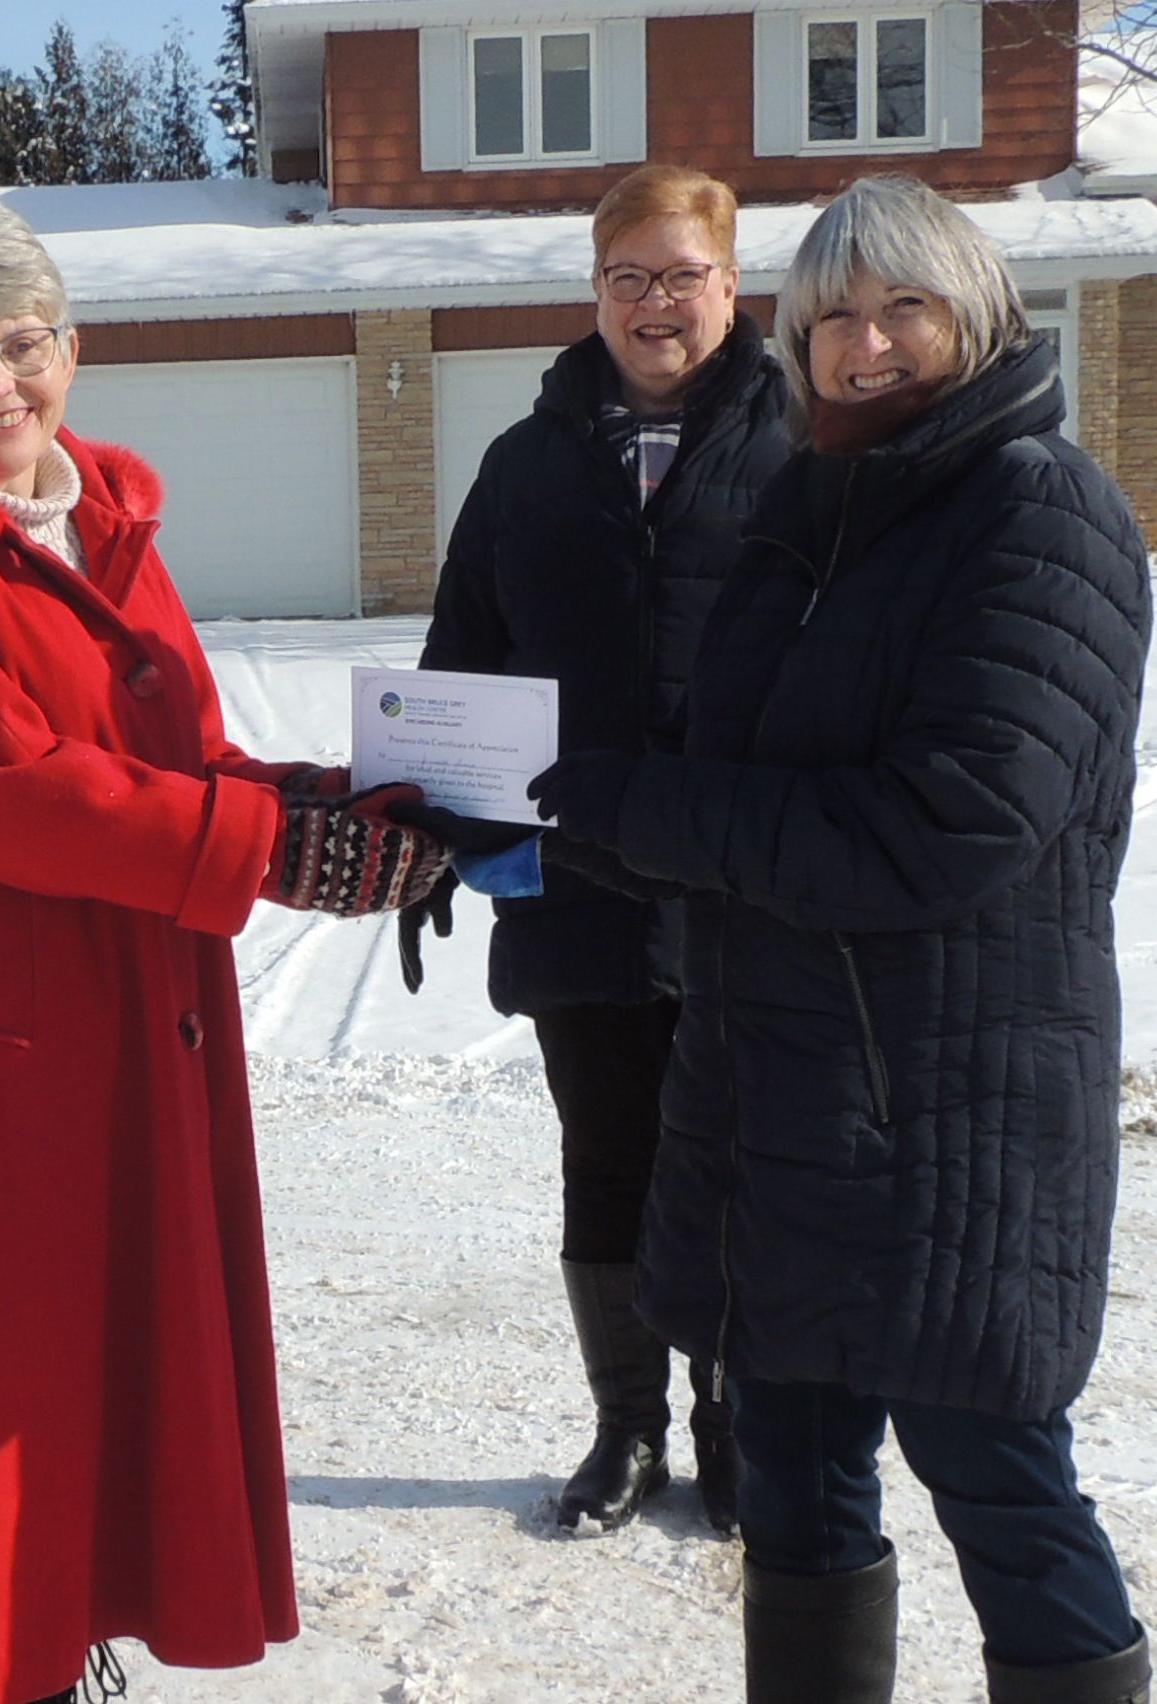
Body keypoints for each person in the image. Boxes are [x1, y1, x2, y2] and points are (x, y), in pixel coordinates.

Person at [0, 195, 448, 1704]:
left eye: (22, 343)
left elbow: (167, 757)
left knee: (88, 1380)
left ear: (72, 349)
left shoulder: (100, 523)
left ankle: (55, 1646)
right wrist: (271, 852)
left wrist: (327, 806)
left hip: (111, 1012)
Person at [528, 173, 1154, 1704]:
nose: (866, 346)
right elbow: (719, 770)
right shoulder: (814, 515)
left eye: (904, 309)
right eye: (832, 319)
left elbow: (944, 825)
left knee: (1001, 1487)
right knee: (798, 1495)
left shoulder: (1039, 512)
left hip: (946, 1119)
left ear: (979, 315)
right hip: (780, 1111)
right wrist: (531, 806)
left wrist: (643, 807)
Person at [412, 164, 788, 1534]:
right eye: (628, 278)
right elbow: (460, 662)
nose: (654, 304)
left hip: (746, 887)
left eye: (681, 276)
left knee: (738, 1168)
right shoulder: (526, 465)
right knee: (608, 1160)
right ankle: (628, 1427)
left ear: (730, 286)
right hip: (574, 886)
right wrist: (439, 821)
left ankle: (735, 1426)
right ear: (594, 291)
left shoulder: (804, 447)